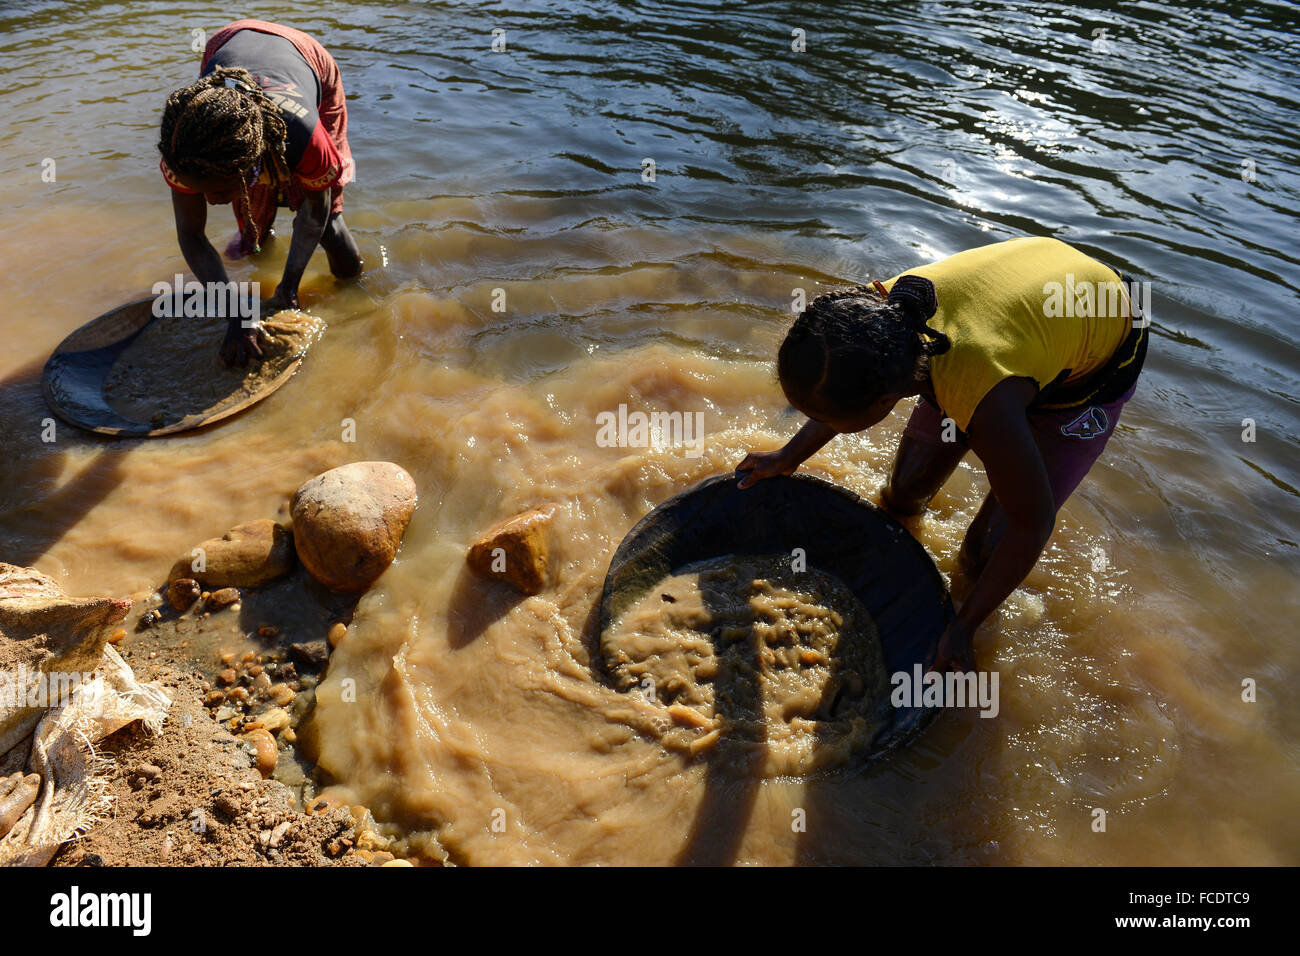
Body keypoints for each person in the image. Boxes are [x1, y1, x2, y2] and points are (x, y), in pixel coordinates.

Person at [736, 236, 1148, 673]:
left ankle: (966, 602)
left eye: (825, 417)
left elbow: (1033, 524)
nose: (817, 421)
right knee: (903, 493)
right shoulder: (869, 321)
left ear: (887, 400)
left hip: (1097, 341)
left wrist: (965, 628)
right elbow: (835, 394)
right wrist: (790, 454)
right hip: (1018, 316)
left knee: (984, 551)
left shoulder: (981, 392)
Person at [157, 19, 362, 365]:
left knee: (329, 224)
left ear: (248, 163)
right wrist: (237, 314)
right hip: (228, 41)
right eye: (200, 190)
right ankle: (261, 245)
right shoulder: (183, 149)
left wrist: (289, 288)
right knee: (252, 223)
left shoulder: (306, 137)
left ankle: (355, 292)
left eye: (219, 191)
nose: (209, 201)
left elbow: (315, 213)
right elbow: (191, 235)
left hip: (308, 60)